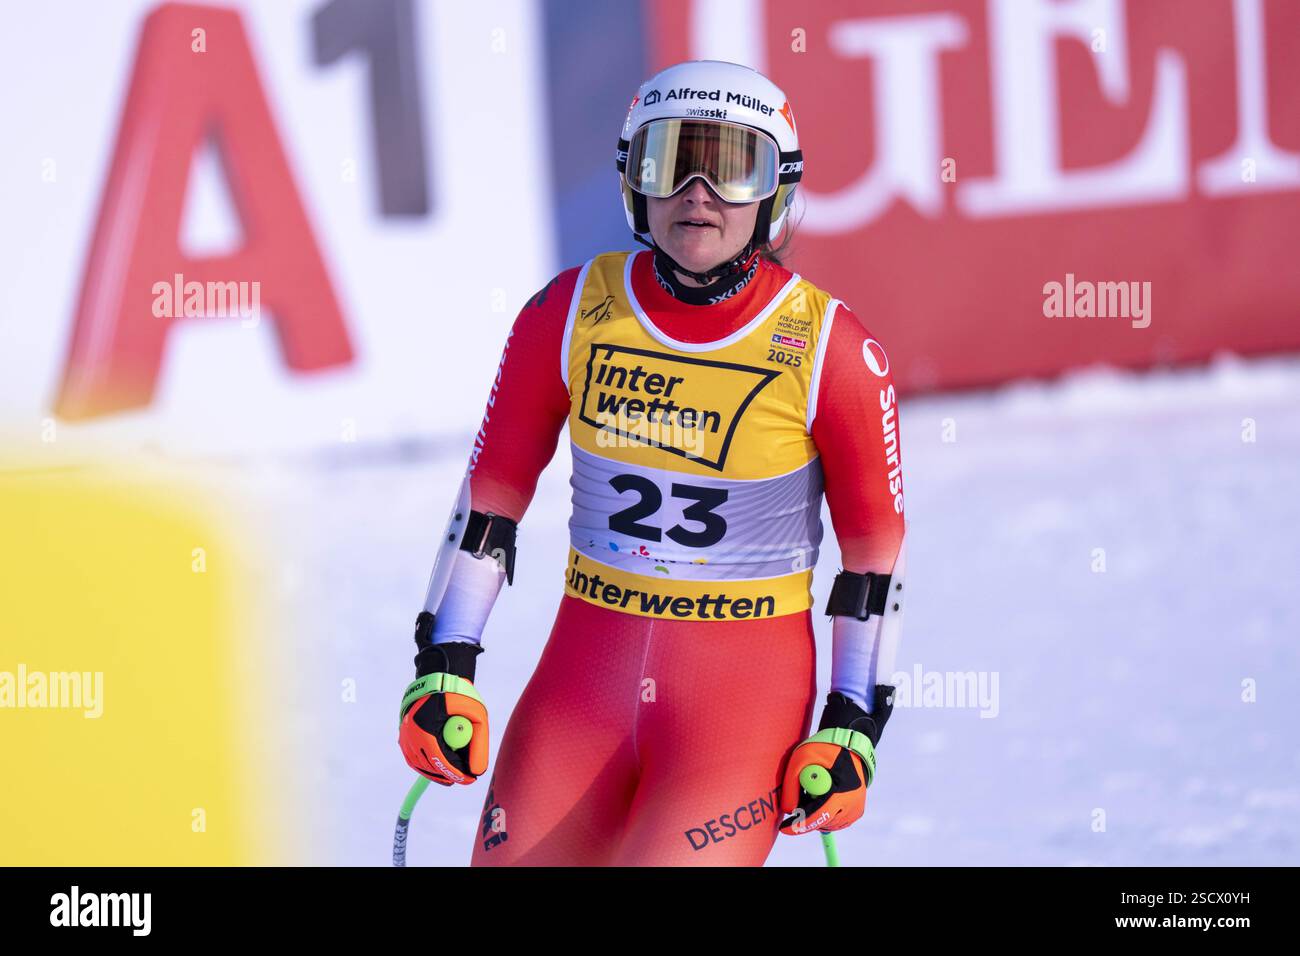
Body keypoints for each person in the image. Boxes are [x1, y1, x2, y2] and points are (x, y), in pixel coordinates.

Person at [397, 59, 908, 866]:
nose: (697, 191)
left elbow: (874, 558)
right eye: (671, 162)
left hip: (734, 717)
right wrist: (445, 662)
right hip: (580, 700)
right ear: (634, 180)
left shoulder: (831, 350)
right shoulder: (566, 312)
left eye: (733, 167)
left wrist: (853, 725)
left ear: (776, 193)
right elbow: (489, 504)